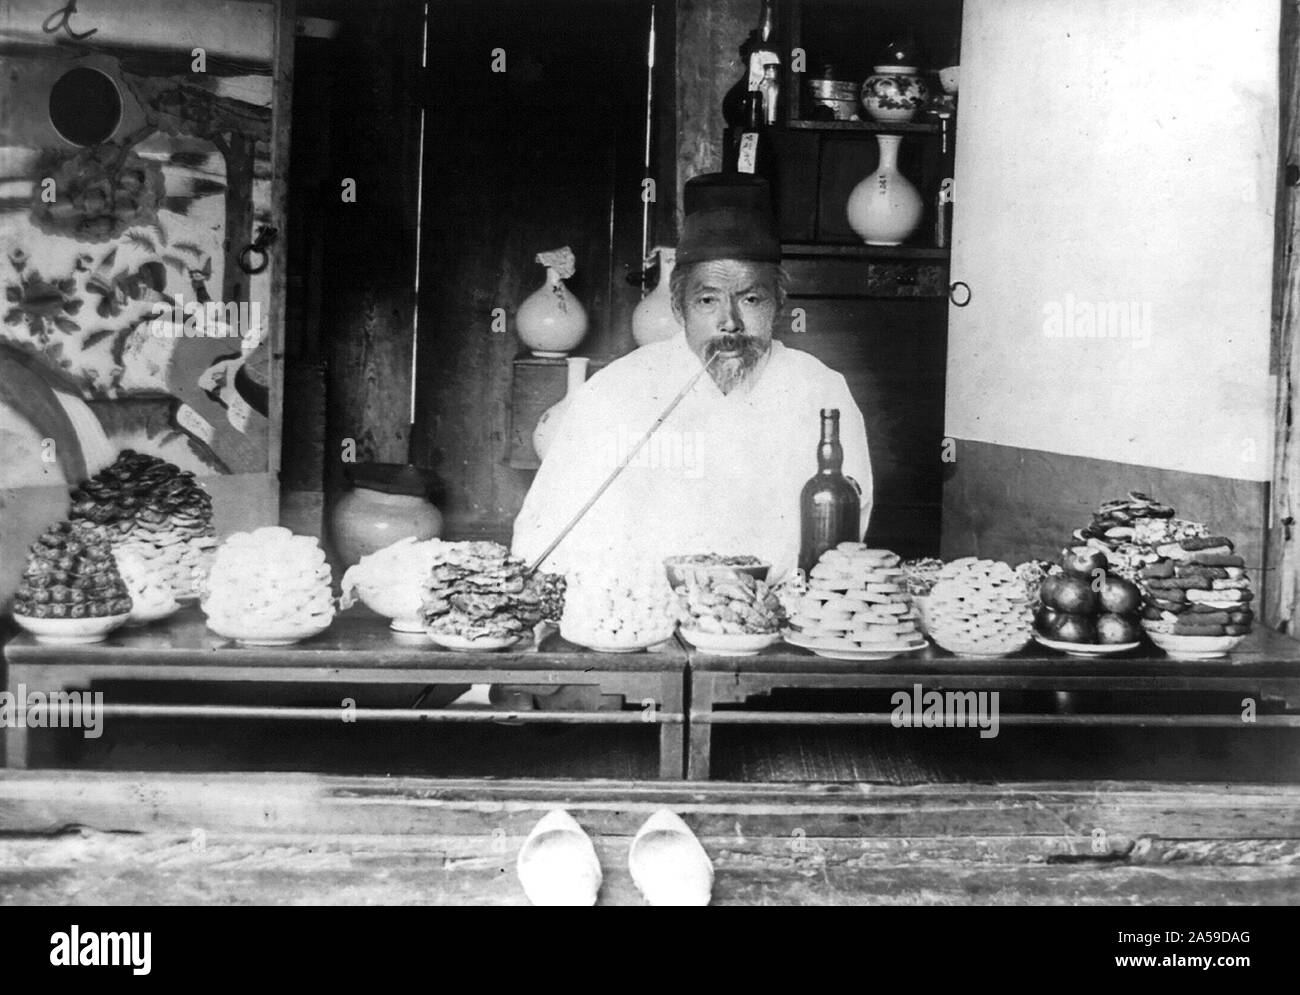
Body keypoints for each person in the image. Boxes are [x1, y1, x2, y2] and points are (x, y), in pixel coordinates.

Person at [512, 173, 872, 583]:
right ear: (679, 307)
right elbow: (546, 528)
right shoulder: (618, 390)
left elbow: (842, 544)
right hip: (645, 620)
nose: (730, 323)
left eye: (751, 299)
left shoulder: (820, 391)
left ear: (780, 304)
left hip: (776, 616)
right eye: (707, 301)